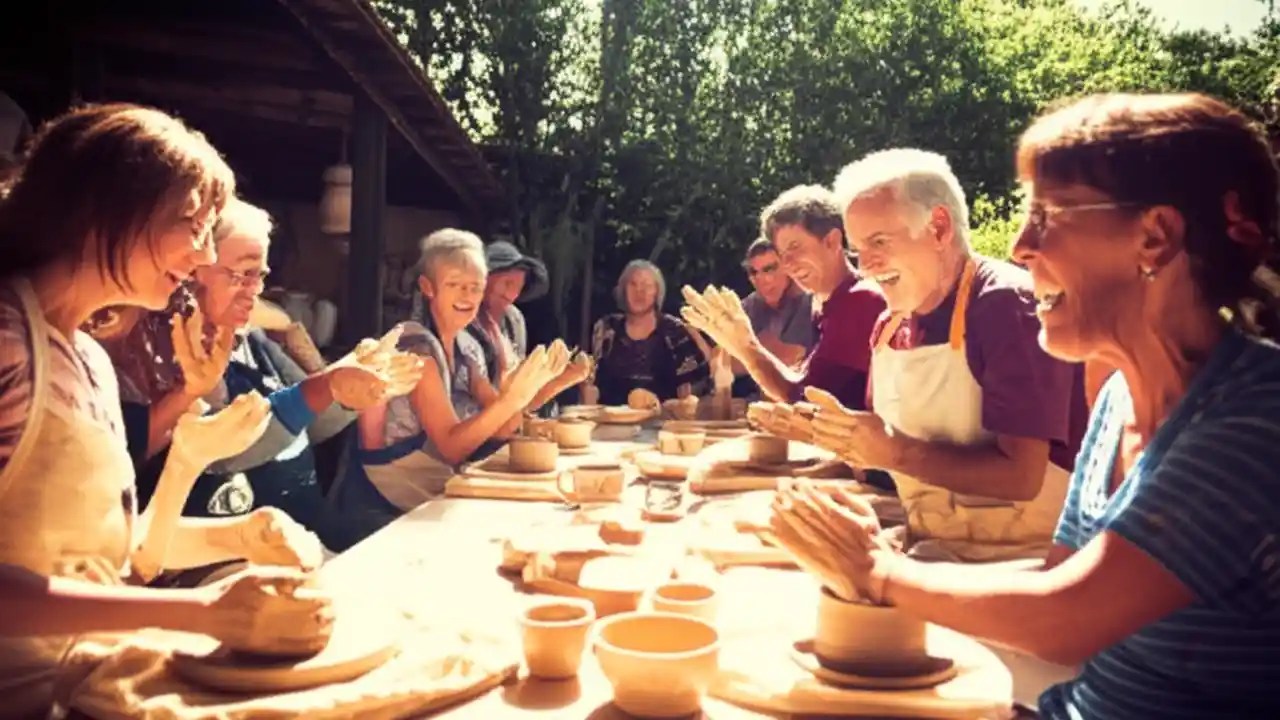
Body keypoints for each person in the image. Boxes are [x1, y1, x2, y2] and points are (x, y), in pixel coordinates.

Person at [774, 93, 1280, 719]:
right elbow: (1051, 578)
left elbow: (1068, 619)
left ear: (1155, 238)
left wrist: (877, 570)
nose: (1020, 246)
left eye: (1049, 216)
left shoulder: (1254, 420)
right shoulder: (1121, 397)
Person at [0, 103, 332, 718]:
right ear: (107, 210)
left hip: (93, 692)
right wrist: (198, 611)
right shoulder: (8, 341)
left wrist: (241, 536)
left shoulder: (87, 359)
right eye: (192, 224)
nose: (206, 257)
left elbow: (108, 556)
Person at [784, 150, 1084, 564]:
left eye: (879, 242)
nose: (867, 267)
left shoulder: (1006, 306)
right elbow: (902, 459)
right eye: (858, 250)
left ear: (938, 227)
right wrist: (850, 446)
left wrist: (892, 453)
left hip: (1025, 561)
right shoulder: (891, 326)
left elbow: (1023, 477)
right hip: (935, 546)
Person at [100, 198, 423, 555]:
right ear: (193, 269)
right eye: (242, 273)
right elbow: (226, 453)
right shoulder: (153, 356)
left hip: (308, 523)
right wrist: (325, 385)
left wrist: (351, 393)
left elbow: (308, 426)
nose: (255, 289)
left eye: (261, 275)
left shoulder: (253, 342)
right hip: (230, 549)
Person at [329, 229, 567, 549]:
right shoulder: (417, 348)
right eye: (454, 285)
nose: (467, 296)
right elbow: (451, 447)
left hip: (423, 484)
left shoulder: (467, 352)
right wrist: (511, 400)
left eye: (475, 287)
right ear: (428, 288)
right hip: (382, 504)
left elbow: (505, 427)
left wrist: (526, 394)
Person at [683, 185, 886, 411]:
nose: (788, 264)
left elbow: (806, 402)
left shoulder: (861, 300)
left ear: (832, 240)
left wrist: (746, 349)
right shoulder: (830, 304)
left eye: (795, 246)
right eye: (782, 254)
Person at [473, 239, 591, 403]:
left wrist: (566, 378)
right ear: (484, 277)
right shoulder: (463, 318)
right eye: (507, 283)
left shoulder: (514, 320)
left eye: (518, 287)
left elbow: (521, 400)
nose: (511, 294)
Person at [586, 259, 711, 406]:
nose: (640, 291)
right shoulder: (606, 329)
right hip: (609, 422)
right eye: (633, 284)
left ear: (657, 292)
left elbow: (696, 386)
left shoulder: (674, 331)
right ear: (623, 290)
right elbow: (589, 381)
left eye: (647, 285)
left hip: (662, 423)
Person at [731, 237, 816, 398]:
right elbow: (722, 363)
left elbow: (789, 356)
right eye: (754, 272)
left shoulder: (810, 301)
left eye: (770, 269)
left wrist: (748, 348)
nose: (763, 279)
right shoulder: (751, 305)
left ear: (786, 266)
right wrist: (761, 349)